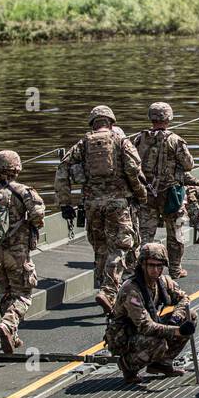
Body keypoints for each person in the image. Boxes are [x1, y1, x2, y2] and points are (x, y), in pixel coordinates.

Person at [56, 105, 148, 288]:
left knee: (100, 247)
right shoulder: (121, 141)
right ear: (112, 122)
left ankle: (100, 285)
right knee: (121, 246)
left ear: (92, 123)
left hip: (91, 204)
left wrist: (64, 203)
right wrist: (141, 195)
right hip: (118, 203)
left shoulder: (82, 144)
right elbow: (133, 170)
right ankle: (110, 288)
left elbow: (62, 170)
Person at [100, 242, 196, 384]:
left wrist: (175, 319)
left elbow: (184, 299)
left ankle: (162, 363)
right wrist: (177, 330)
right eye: (151, 265)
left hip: (146, 328)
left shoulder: (162, 282)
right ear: (142, 265)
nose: (155, 270)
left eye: (159, 266)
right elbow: (146, 326)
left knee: (191, 316)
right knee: (158, 343)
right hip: (126, 336)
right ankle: (128, 366)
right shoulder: (131, 290)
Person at [0, 149, 45, 355]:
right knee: (24, 294)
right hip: (17, 251)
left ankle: (13, 335)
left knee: (6, 293)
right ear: (17, 168)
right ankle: (8, 324)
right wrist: (31, 223)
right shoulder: (23, 191)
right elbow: (38, 213)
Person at [132, 102, 196, 279]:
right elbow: (188, 164)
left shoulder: (139, 139)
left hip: (146, 193)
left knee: (145, 235)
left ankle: (143, 270)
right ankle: (175, 270)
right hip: (170, 194)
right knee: (176, 233)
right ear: (169, 118)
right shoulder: (175, 140)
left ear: (150, 118)